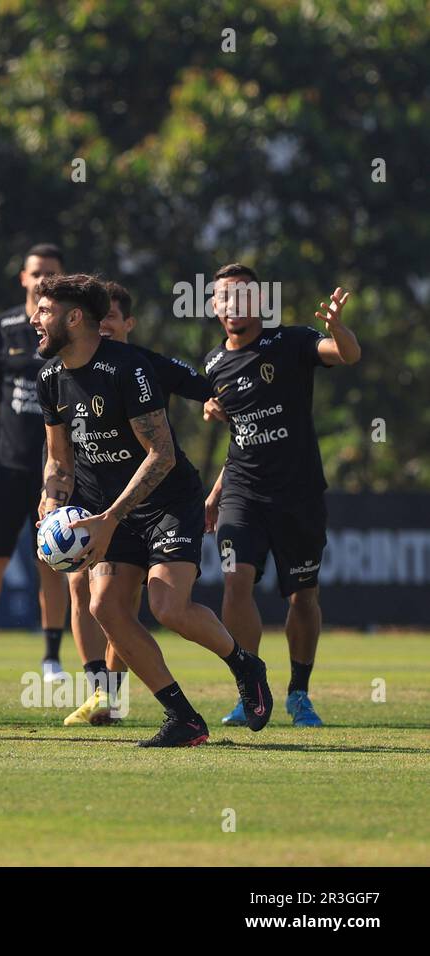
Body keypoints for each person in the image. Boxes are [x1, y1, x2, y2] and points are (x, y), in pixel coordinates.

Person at [33, 273, 272, 747]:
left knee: (168, 607)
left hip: (164, 500)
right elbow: (59, 460)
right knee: (105, 607)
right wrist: (53, 500)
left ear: (74, 318)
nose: (34, 319)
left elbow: (160, 455)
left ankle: (244, 663)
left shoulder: (129, 368)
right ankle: (183, 717)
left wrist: (111, 518)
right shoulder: (49, 378)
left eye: (43, 311)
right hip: (104, 510)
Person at [202, 264, 359, 727]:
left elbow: (347, 354)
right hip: (242, 494)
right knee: (235, 582)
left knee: (302, 597)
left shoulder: (290, 342)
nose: (233, 306)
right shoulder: (213, 365)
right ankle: (250, 688)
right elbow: (240, 439)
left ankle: (298, 693)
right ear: (215, 307)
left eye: (242, 297)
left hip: (299, 495)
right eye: (224, 298)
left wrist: (338, 328)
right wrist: (215, 494)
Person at [61, 281, 213, 726]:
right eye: (97, 317)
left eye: (111, 317)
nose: (102, 325)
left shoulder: (144, 365)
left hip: (153, 500)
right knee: (92, 595)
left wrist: (214, 404)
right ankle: (103, 692)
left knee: (139, 604)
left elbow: (206, 388)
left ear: (128, 323)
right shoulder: (66, 368)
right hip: (97, 495)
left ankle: (113, 694)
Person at [0, 244, 70, 685]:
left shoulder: (69, 330)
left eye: (51, 273)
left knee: (51, 563)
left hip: (55, 471)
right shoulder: (1, 328)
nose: (42, 279)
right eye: (36, 272)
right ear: (23, 277)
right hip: (5, 466)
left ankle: (52, 658)